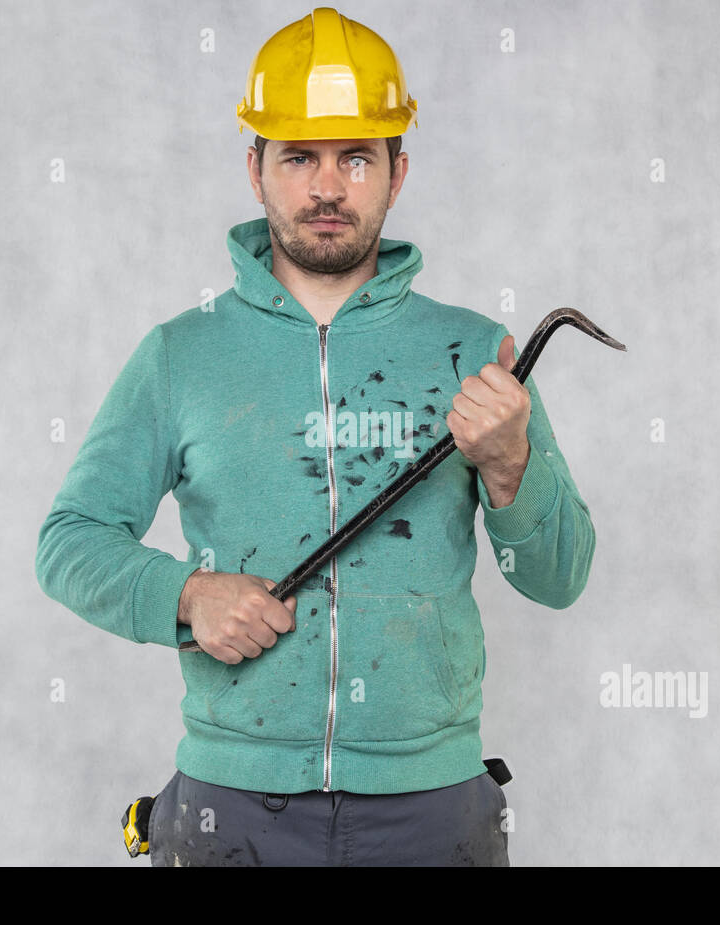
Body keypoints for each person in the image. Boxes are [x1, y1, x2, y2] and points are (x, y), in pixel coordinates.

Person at [35, 6, 597, 866]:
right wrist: (188, 598)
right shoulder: (182, 355)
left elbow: (560, 579)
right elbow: (68, 542)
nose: (327, 188)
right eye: (299, 156)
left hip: (432, 806)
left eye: (355, 158)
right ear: (255, 165)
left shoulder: (478, 354)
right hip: (234, 805)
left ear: (397, 171)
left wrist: (513, 464)